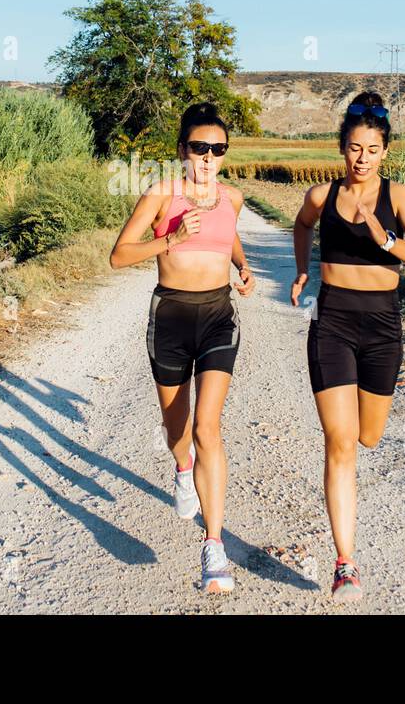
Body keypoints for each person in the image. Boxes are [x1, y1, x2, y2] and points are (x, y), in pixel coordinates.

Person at [289, 92, 405, 602]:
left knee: (369, 436)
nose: (362, 158)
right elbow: (302, 225)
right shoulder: (320, 197)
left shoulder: (399, 198)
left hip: (382, 327)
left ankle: (347, 545)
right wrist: (304, 269)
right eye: (354, 148)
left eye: (372, 150)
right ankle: (345, 563)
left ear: (385, 152)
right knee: (341, 442)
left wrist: (388, 241)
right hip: (331, 322)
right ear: (341, 148)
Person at [109, 102, 255, 593]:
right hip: (169, 316)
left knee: (208, 427)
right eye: (199, 148)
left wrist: (242, 265)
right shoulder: (159, 195)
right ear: (182, 150)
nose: (208, 157)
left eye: (217, 149)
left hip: (218, 316)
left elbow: (228, 236)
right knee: (179, 429)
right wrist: (169, 237)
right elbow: (119, 255)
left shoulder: (232, 198)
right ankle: (182, 467)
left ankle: (214, 547)